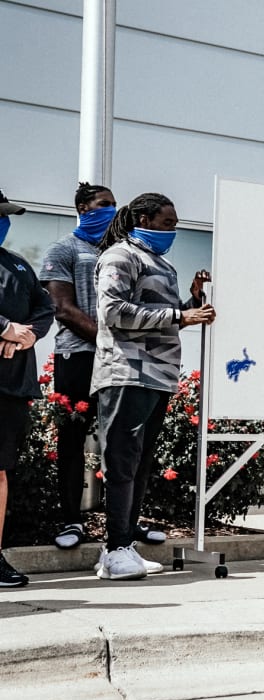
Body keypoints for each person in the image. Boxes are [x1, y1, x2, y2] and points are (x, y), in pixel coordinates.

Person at [93, 193, 215, 580]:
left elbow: (160, 314)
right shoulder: (119, 257)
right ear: (143, 218)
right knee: (122, 463)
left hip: (158, 375)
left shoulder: (158, 262)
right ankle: (113, 551)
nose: (173, 231)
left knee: (141, 464)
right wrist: (181, 313)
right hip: (126, 373)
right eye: (167, 223)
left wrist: (191, 299)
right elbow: (113, 311)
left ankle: (125, 545)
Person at [38, 182, 118, 549]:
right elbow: (63, 309)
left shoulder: (119, 252)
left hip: (117, 362)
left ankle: (123, 526)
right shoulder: (64, 250)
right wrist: (107, 340)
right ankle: (71, 520)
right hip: (78, 357)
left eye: (114, 205)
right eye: (104, 205)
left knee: (119, 441)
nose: (111, 211)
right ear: (84, 208)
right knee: (72, 440)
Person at [0, 191, 54, 587]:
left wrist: (28, 335)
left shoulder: (16, 264)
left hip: (12, 386)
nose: (5, 222)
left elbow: (45, 306)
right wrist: (4, 328)